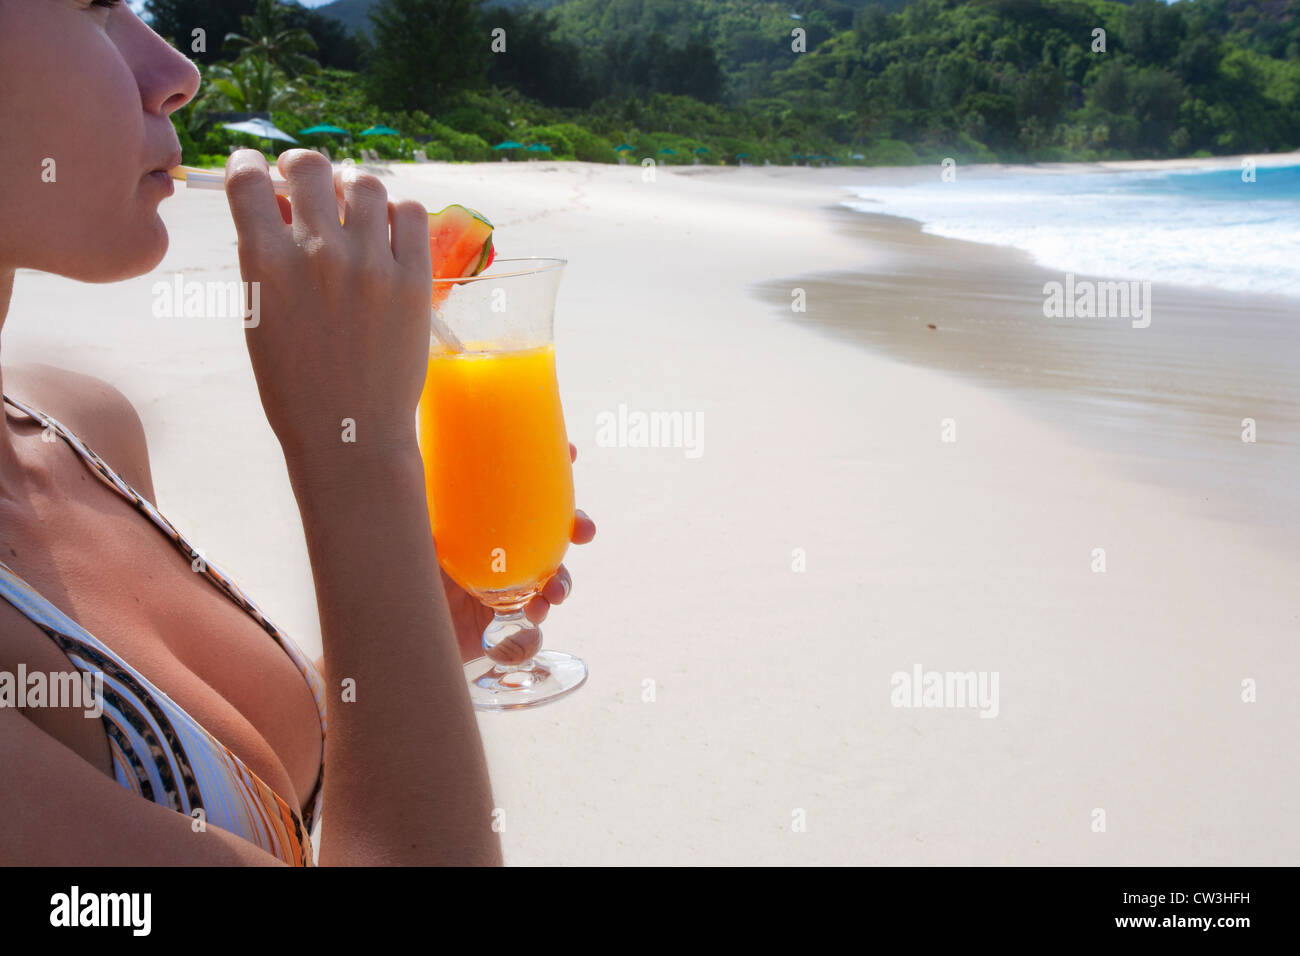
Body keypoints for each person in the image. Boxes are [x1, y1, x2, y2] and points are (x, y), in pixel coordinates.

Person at [0, 0, 594, 866]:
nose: (176, 73)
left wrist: (402, 611)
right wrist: (358, 462)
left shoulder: (78, 425)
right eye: (95, 7)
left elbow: (237, 785)